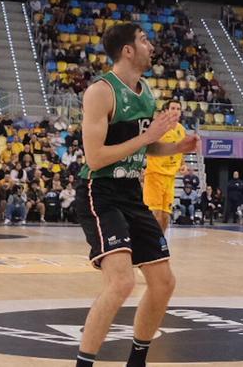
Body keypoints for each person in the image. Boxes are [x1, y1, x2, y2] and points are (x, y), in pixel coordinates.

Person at [73, 23, 199, 367]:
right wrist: (147, 138)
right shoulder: (101, 91)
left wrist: (176, 145)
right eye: (144, 40)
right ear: (128, 50)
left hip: (130, 192)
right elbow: (96, 157)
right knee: (121, 282)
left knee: (163, 282)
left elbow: (146, 147)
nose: (151, 46)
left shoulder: (145, 92)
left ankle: (137, 361)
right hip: (99, 190)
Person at [141, 101, 188, 234]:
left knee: (166, 216)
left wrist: (183, 165)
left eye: (178, 109)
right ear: (166, 111)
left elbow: (181, 152)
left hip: (170, 178)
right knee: (155, 213)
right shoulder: (158, 127)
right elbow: (144, 146)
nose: (176, 111)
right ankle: (149, 242)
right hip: (155, 175)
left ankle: (160, 241)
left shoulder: (181, 130)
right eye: (173, 108)